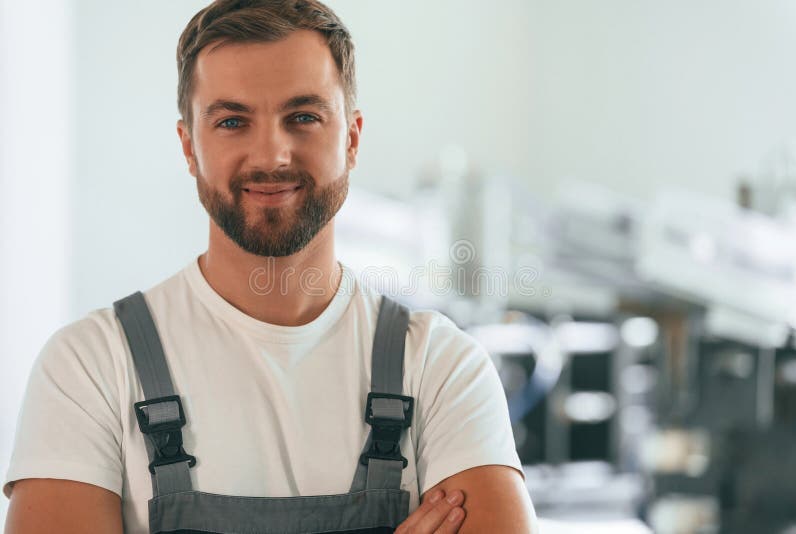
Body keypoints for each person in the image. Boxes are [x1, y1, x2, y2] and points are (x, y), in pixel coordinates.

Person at [3, 1, 538, 532]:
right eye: (233, 121)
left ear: (351, 138)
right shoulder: (91, 367)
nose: (272, 155)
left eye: (302, 117)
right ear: (189, 147)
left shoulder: (442, 368)